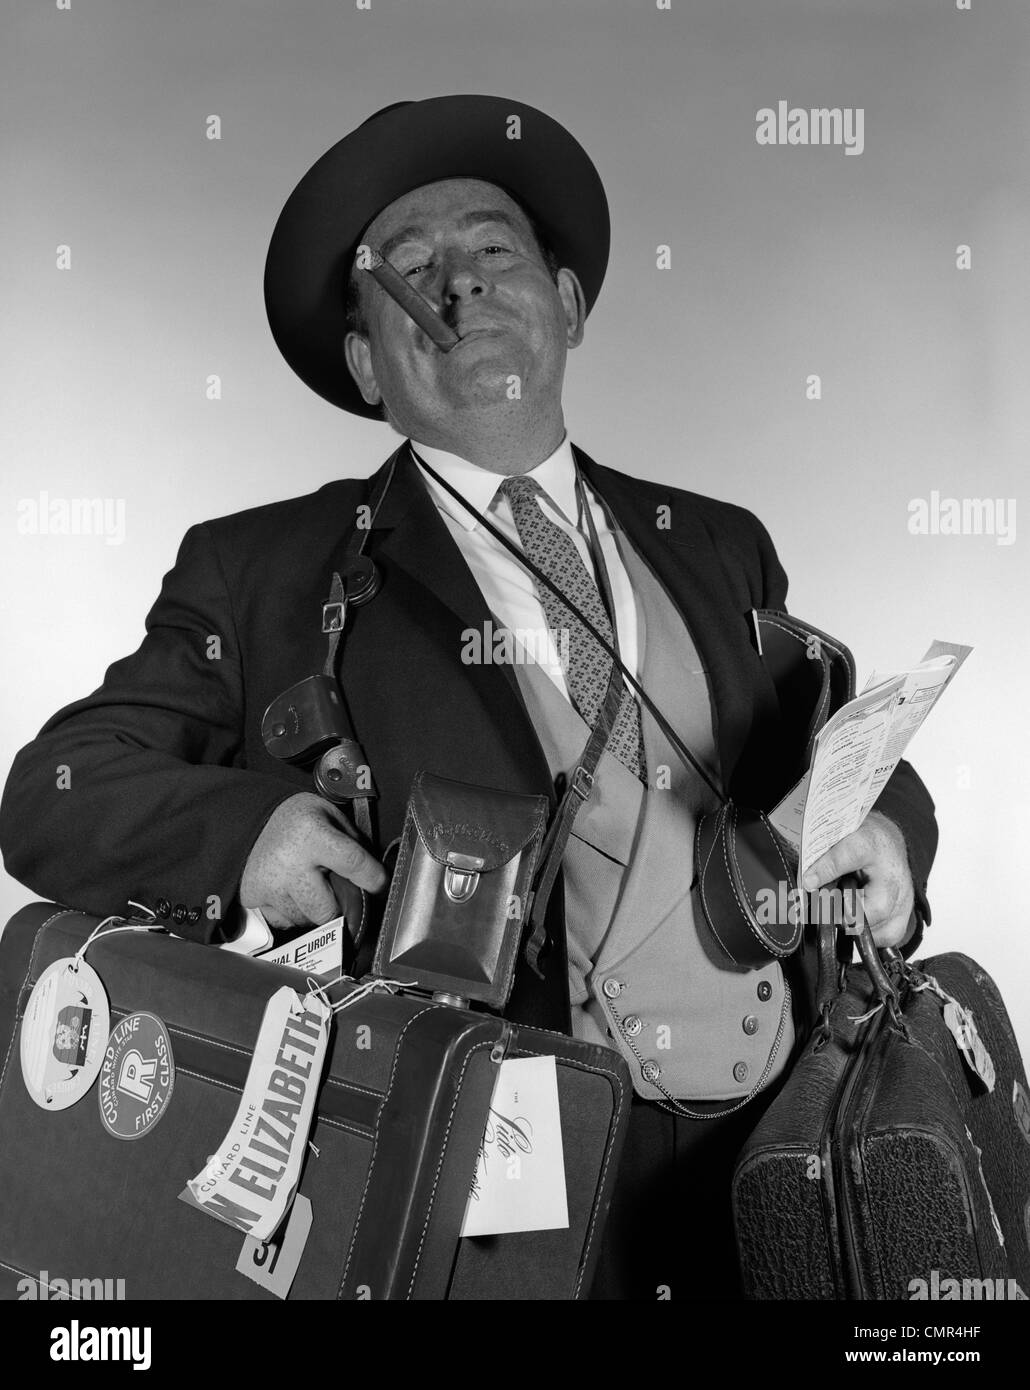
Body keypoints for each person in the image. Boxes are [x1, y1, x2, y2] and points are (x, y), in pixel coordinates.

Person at [0, 94, 937, 1299]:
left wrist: (892, 832)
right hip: (487, 1177)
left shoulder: (713, 543)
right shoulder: (260, 570)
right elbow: (50, 796)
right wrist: (247, 838)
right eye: (409, 272)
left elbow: (829, 759)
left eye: (495, 253)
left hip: (771, 1145)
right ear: (361, 363)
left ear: (568, 305)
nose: (459, 287)